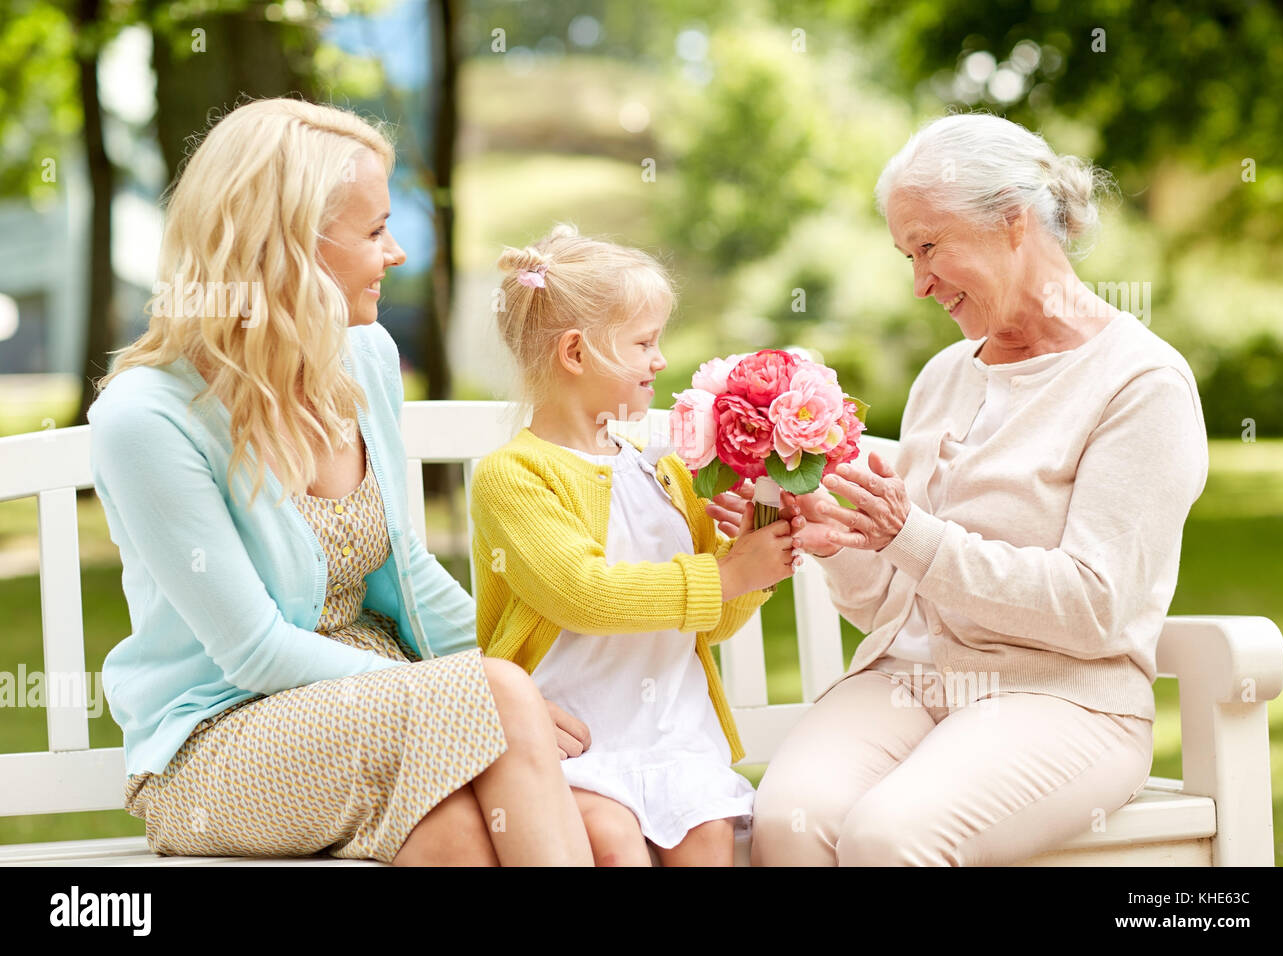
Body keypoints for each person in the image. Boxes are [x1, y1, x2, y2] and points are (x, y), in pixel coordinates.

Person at [88, 98, 594, 866]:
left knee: (460, 834)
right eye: (374, 230)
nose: (395, 253)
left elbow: (406, 573)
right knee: (491, 705)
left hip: (386, 708)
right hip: (219, 742)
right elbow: (254, 652)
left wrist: (531, 671)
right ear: (286, 247)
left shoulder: (365, 357)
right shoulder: (147, 418)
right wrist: (484, 691)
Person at [717, 112, 1209, 865]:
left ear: (1013, 220)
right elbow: (890, 605)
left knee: (889, 838)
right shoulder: (945, 375)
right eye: (906, 255)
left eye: (928, 246)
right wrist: (833, 538)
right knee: (786, 824)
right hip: (909, 683)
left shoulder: (1141, 384)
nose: (918, 283)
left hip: (1062, 696)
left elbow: (1095, 605)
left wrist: (910, 536)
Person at [469, 224, 798, 866]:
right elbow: (585, 596)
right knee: (615, 843)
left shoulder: (665, 469)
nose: (660, 360)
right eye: (644, 343)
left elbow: (713, 622)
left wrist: (753, 556)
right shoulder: (515, 475)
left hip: (675, 734)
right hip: (576, 740)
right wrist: (725, 577)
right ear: (575, 353)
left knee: (708, 841)